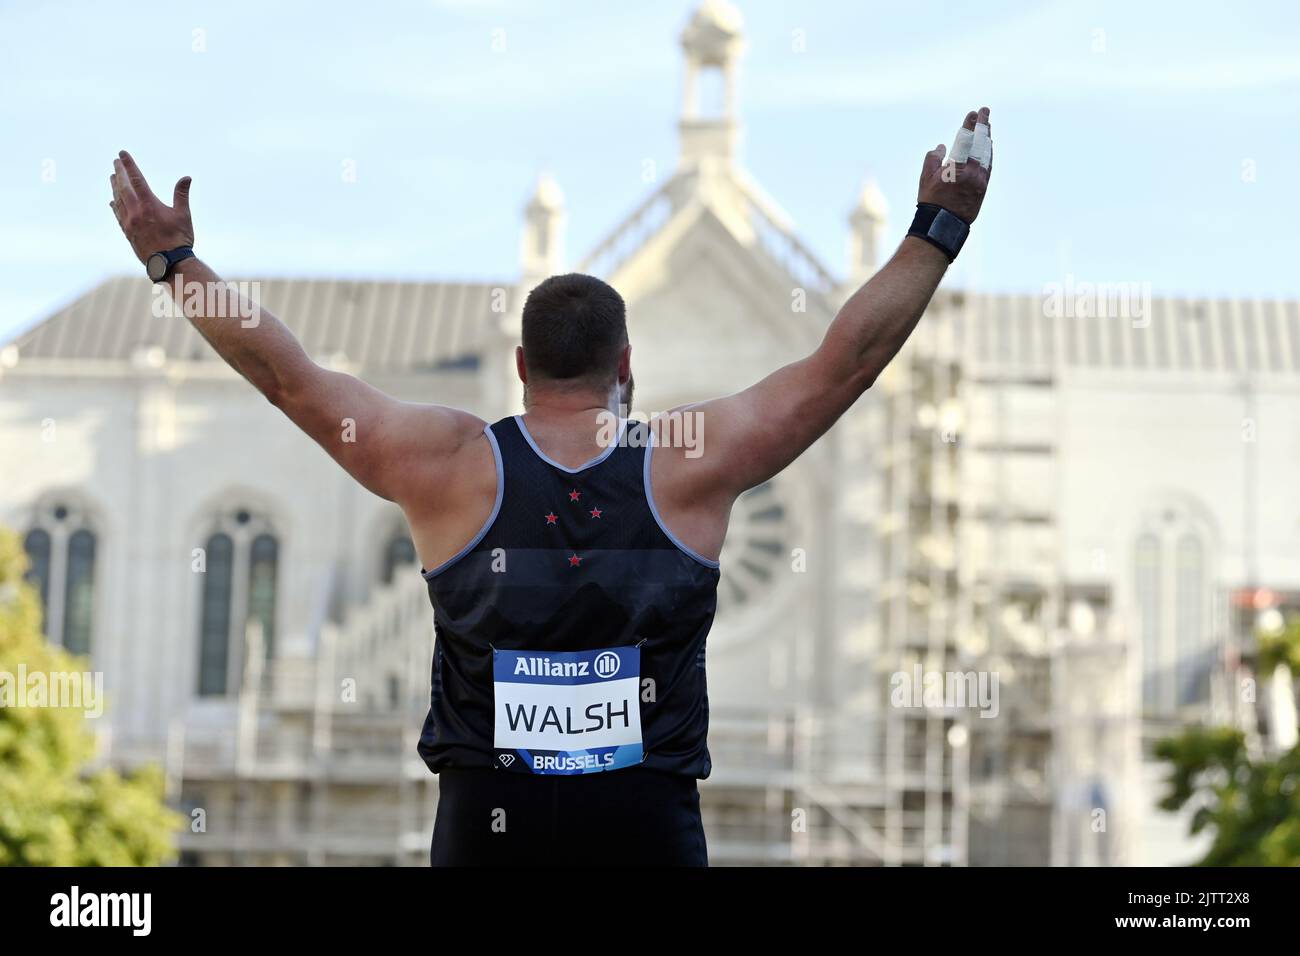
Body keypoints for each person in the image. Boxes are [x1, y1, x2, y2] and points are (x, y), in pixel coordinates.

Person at [109, 107, 993, 866]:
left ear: (523, 364)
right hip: (644, 824)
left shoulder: (452, 466)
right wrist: (938, 229)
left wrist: (176, 264)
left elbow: (290, 379)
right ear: (628, 367)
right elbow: (846, 366)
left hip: (490, 828)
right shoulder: (689, 464)